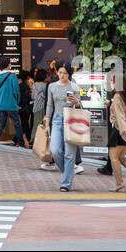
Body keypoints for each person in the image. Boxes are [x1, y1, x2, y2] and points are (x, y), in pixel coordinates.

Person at [46, 63, 81, 191]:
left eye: (65, 73)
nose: (62, 75)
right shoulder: (52, 86)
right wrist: (47, 123)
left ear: (69, 74)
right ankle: (69, 173)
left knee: (69, 154)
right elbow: (49, 105)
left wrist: (77, 102)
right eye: (60, 72)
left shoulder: (74, 86)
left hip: (71, 120)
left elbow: (79, 106)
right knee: (55, 150)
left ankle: (66, 183)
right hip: (56, 120)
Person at [0, 59, 25, 147]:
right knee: (17, 124)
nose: (11, 64)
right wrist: (17, 101)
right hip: (11, 104)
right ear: (7, 65)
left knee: (1, 122)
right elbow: (16, 91)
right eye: (10, 63)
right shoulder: (12, 76)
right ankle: (21, 143)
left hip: (1, 104)